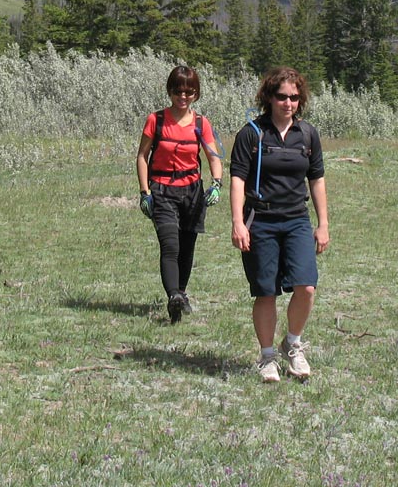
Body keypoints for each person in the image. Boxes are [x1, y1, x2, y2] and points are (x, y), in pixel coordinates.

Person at [230, 66, 329, 381]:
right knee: (266, 291)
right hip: (261, 220)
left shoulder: (308, 134)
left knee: (307, 287)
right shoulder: (252, 134)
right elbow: (237, 180)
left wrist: (323, 223)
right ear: (269, 97)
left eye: (294, 98)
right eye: (282, 97)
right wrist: (238, 222)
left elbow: (316, 179)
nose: (288, 103)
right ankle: (267, 356)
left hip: (297, 219)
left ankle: (293, 344)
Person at [136, 65, 223, 323]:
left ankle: (181, 293)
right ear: (170, 91)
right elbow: (142, 156)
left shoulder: (201, 123)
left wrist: (216, 184)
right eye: (178, 91)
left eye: (189, 92)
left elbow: (214, 157)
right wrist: (144, 192)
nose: (183, 97)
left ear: (196, 93)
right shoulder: (156, 120)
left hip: (193, 194)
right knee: (170, 245)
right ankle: (173, 296)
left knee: (187, 248)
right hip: (162, 191)